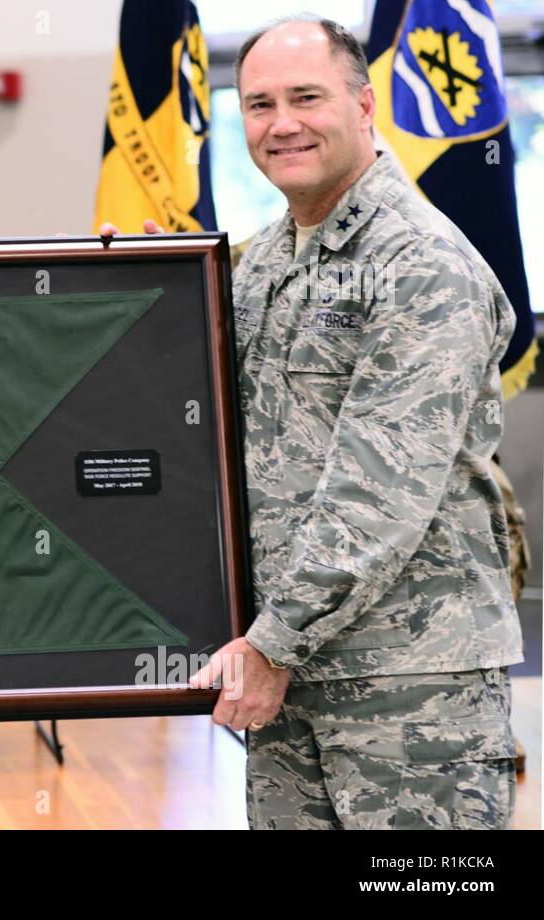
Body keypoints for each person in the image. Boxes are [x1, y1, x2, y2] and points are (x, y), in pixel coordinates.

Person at [104, 16, 522, 829]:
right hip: (290, 672)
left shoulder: (421, 266)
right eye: (259, 104)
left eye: (306, 97)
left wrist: (271, 645)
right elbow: (198, 408)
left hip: (408, 688)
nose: (281, 123)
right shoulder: (267, 260)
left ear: (364, 106)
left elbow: (379, 491)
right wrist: (123, 288)